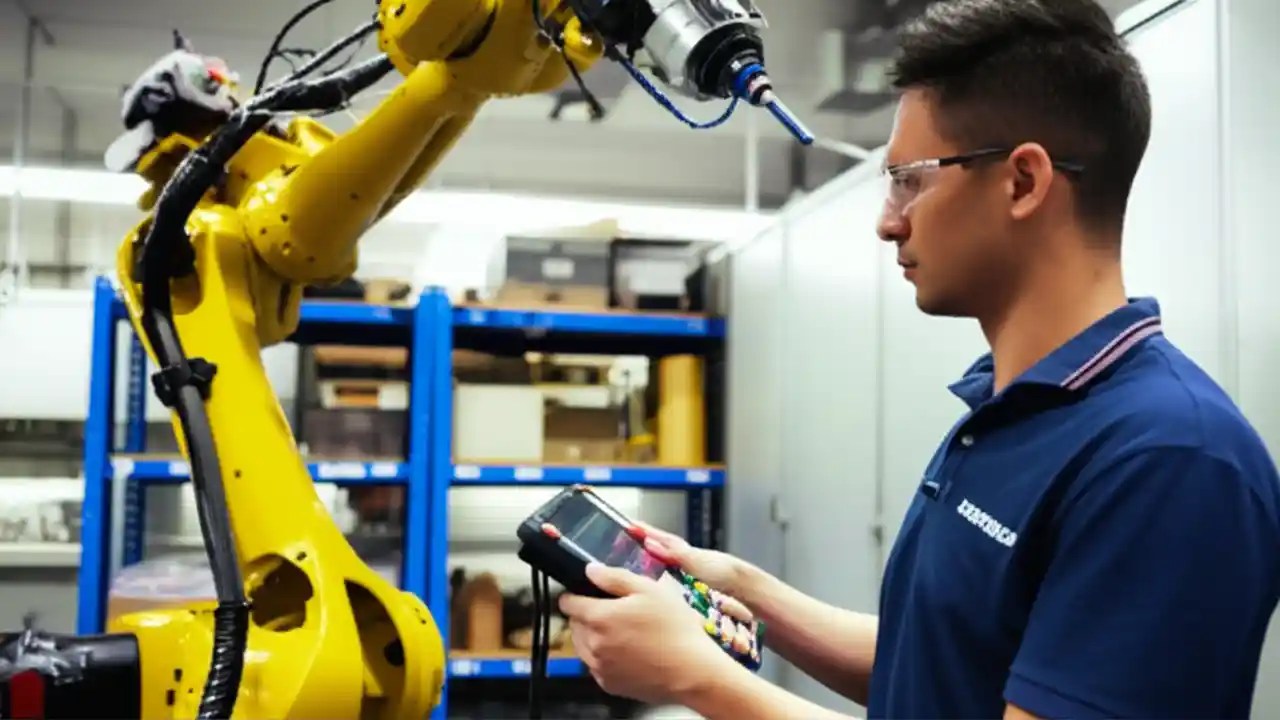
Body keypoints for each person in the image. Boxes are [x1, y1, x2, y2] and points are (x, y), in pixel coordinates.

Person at [557, 0, 1280, 718]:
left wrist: (699, 681)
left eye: (910, 178)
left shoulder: (1170, 460)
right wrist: (745, 588)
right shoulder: (1007, 411)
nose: (886, 221)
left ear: (1023, 182)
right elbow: (940, 663)